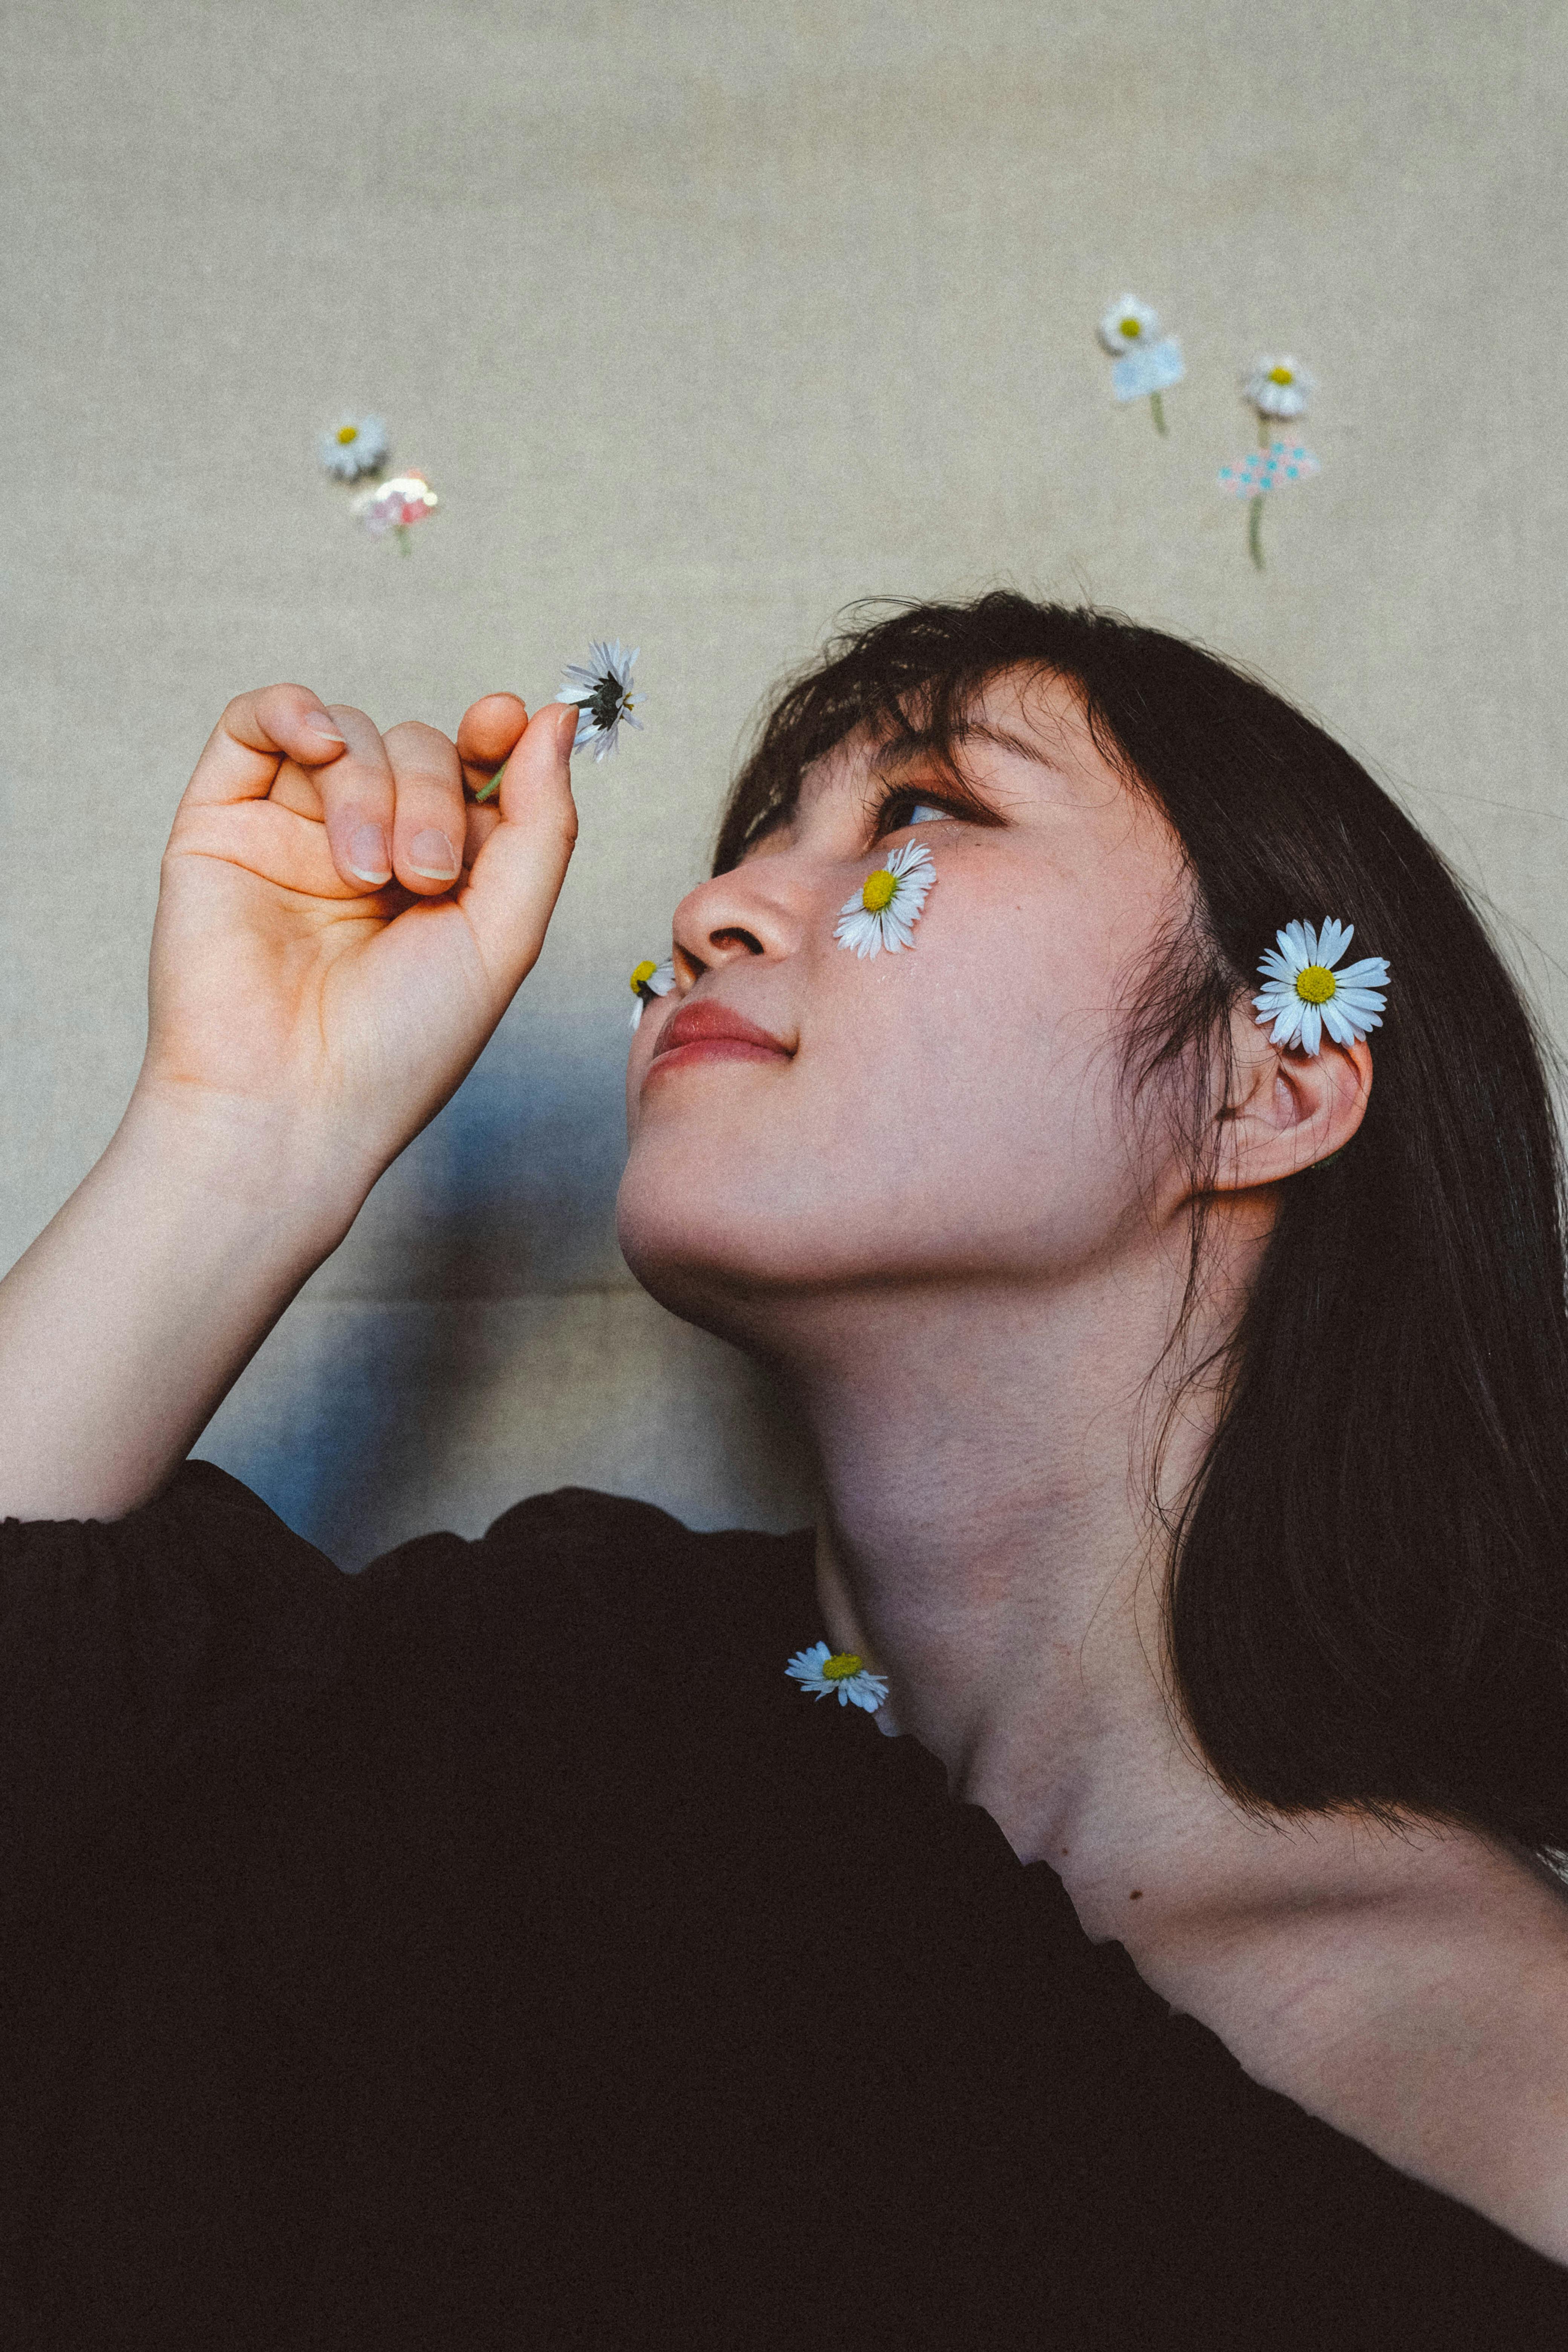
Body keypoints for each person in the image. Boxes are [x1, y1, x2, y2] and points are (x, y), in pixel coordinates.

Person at [4, 591, 1568, 2349]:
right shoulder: (538, 1691)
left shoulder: (1511, 2082)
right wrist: (238, 1140)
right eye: (757, 841)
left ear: (1259, 1083)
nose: (704, 910)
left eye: (919, 816)